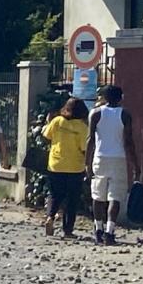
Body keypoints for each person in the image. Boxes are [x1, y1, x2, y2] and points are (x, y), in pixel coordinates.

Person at [86, 85, 140, 245]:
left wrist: (87, 163)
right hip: (118, 158)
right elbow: (129, 142)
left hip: (100, 157)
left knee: (97, 195)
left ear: (104, 97)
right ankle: (110, 231)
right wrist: (135, 164)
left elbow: (90, 139)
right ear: (121, 97)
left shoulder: (95, 113)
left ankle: (98, 229)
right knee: (114, 198)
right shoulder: (124, 114)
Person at [43, 97, 89, 239]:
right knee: (72, 199)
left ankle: (50, 216)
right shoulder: (82, 127)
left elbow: (46, 135)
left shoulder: (57, 121)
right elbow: (84, 148)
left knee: (54, 194)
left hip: (55, 165)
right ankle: (67, 230)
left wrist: (48, 122)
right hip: (75, 167)